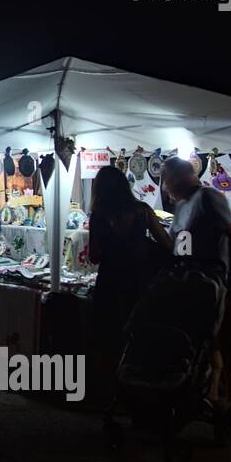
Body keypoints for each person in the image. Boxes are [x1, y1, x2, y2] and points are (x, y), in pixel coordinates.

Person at [161, 156, 231, 440]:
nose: (165, 186)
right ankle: (211, 391)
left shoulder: (209, 197)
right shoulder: (181, 207)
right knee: (204, 341)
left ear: (183, 176)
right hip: (194, 283)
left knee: (228, 341)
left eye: (167, 179)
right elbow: (176, 243)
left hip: (219, 281)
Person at [88, 165, 171, 396]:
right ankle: (140, 381)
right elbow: (166, 243)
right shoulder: (142, 210)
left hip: (111, 278)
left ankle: (110, 385)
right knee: (139, 328)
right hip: (139, 277)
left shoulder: (99, 215)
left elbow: (95, 254)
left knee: (109, 331)